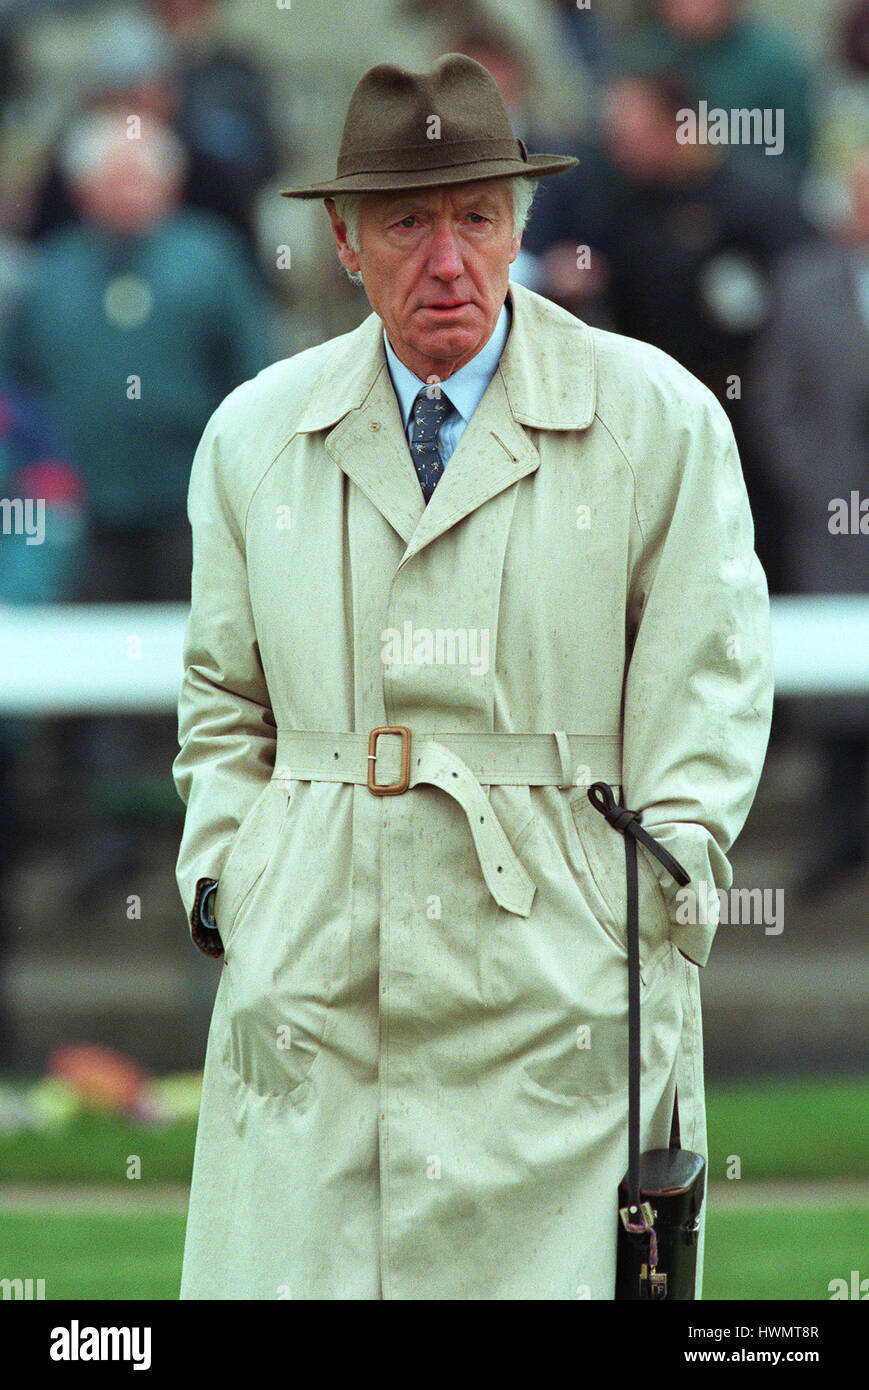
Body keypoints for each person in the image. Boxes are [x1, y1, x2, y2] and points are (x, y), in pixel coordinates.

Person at [173, 54, 774, 1300]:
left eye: (476, 217)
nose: (447, 261)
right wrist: (236, 887)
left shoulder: (655, 421)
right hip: (312, 975)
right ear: (342, 238)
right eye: (406, 221)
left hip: (559, 973)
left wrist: (661, 903)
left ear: (520, 221)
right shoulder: (250, 436)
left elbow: (705, 693)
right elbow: (222, 704)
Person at [749, 152, 869, 897]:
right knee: (837, 681)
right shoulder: (802, 283)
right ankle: (837, 838)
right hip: (832, 516)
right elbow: (773, 401)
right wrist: (816, 487)